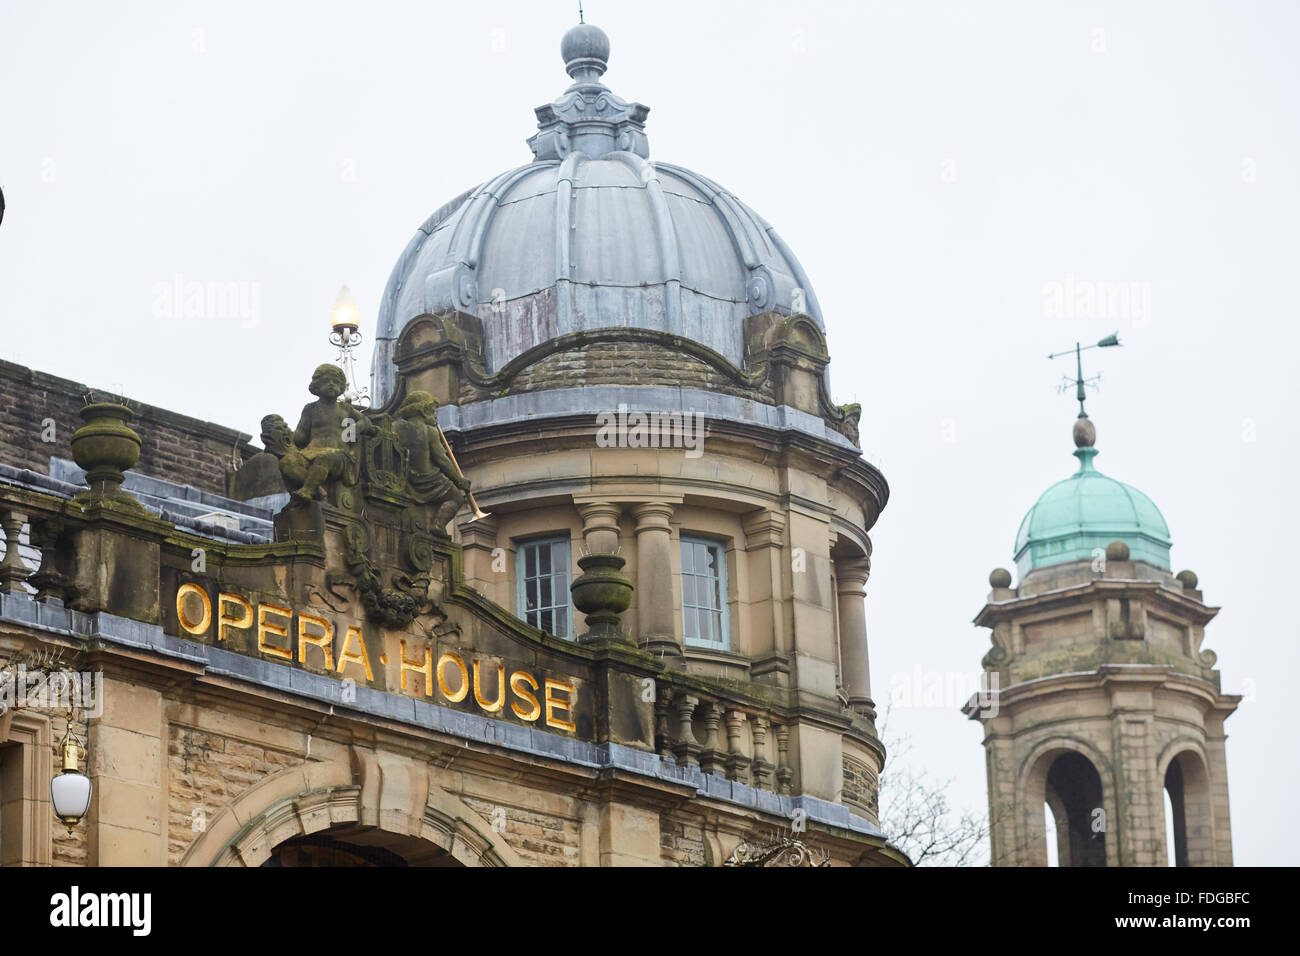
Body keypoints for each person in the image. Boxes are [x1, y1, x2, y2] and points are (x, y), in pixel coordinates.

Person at [288, 364, 358, 503]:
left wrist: (352, 430)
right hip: (310, 452)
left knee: (324, 458)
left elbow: (366, 422)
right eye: (327, 381)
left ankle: (307, 490)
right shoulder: (310, 409)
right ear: (317, 385)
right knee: (287, 462)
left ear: (341, 386)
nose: (332, 384)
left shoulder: (346, 409)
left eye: (335, 381)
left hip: (339, 455)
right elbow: (300, 438)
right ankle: (317, 488)